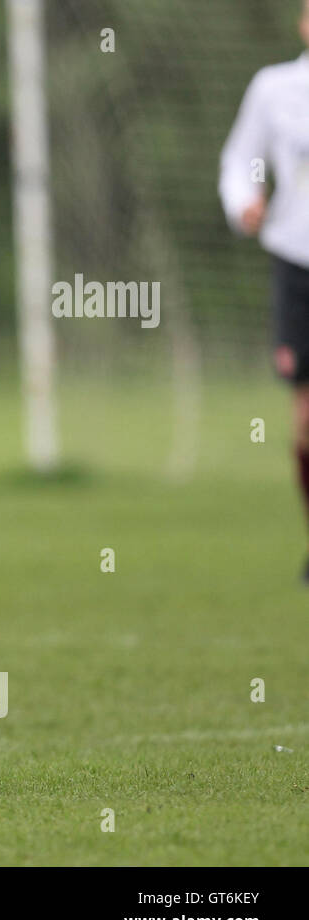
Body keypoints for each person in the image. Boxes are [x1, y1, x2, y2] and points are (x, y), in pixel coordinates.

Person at [219, 0, 309, 581]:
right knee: (305, 426)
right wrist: (246, 200)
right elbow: (242, 159)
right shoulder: (275, 88)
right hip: (296, 262)